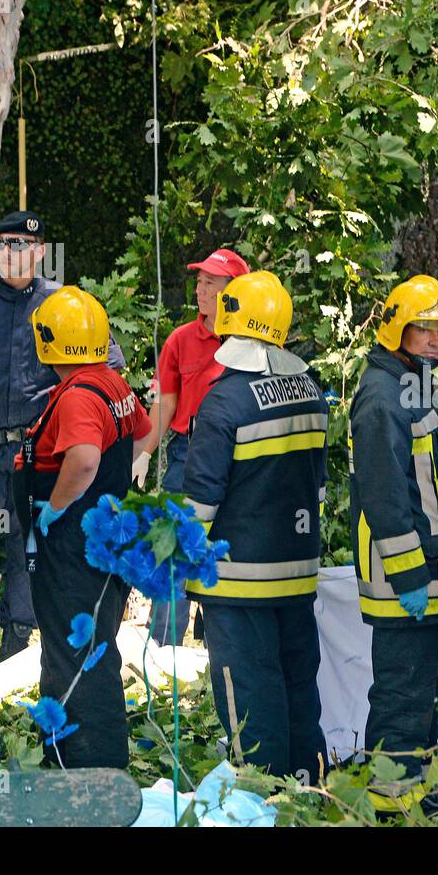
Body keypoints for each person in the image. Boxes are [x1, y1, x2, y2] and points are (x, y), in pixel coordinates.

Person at [181, 270, 329, 781]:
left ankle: (259, 799)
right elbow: (320, 486)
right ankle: (310, 793)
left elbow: (200, 502)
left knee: (250, 694)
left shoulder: (225, 400)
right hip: (298, 576)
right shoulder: (310, 390)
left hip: (237, 582)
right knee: (298, 687)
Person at [349, 275, 438, 811]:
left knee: (428, 693)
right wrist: (408, 577)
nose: (435, 340)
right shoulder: (382, 397)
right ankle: (389, 805)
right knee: (402, 695)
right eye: (424, 328)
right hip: (407, 578)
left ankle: (418, 795)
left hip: (437, 577)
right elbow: (385, 496)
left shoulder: (414, 381)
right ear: (396, 330)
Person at [0, 210, 125, 667]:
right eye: (7, 245)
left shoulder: (64, 306)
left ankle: (15, 656)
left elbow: (104, 368)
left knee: (27, 546)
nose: (15, 253)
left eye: (25, 245)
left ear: (41, 253)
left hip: (34, 452)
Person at [12, 287, 151, 769]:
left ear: (50, 340)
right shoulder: (113, 385)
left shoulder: (78, 397)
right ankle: (66, 758)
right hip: (100, 536)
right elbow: (144, 434)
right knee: (75, 645)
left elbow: (85, 460)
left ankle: (92, 772)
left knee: (80, 651)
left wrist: (54, 507)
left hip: (74, 546)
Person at [138, 247, 251, 645]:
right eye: (199, 282)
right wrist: (147, 451)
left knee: (228, 548)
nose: (201, 290)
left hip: (241, 456)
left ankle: (221, 651)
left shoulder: (251, 341)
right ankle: (163, 652)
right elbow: (165, 401)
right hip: (187, 454)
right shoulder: (180, 340)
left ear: (233, 292)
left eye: (211, 283)